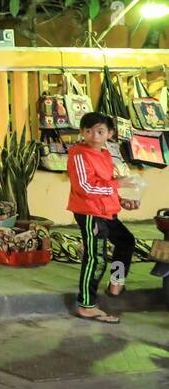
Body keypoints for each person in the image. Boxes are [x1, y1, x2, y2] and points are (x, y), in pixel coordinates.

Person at [68, 111, 136, 324]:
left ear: (110, 134)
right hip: (90, 213)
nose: (94, 136)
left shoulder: (105, 154)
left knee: (126, 241)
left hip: (106, 211)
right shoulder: (79, 154)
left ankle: (117, 283)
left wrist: (121, 200)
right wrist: (117, 185)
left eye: (100, 131)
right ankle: (86, 305)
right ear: (82, 132)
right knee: (95, 258)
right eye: (88, 131)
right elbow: (86, 187)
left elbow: (105, 185)